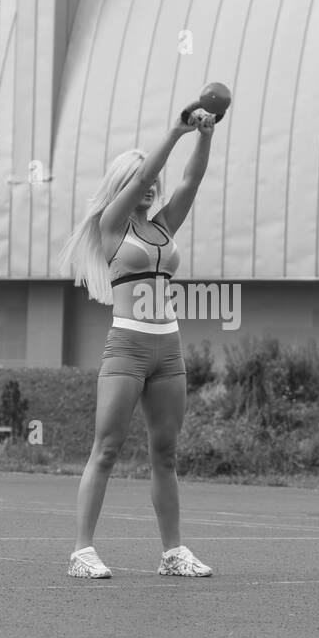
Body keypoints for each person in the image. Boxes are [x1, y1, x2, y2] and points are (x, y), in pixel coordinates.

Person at [58, 108, 218, 578]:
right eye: (137, 179)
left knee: (165, 453)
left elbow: (191, 178)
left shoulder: (164, 224)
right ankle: (82, 552)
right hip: (127, 347)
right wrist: (175, 130)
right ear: (122, 186)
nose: (149, 185)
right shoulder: (113, 224)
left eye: (151, 180)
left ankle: (172, 553)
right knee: (106, 448)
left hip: (168, 350)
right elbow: (154, 171)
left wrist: (203, 136)